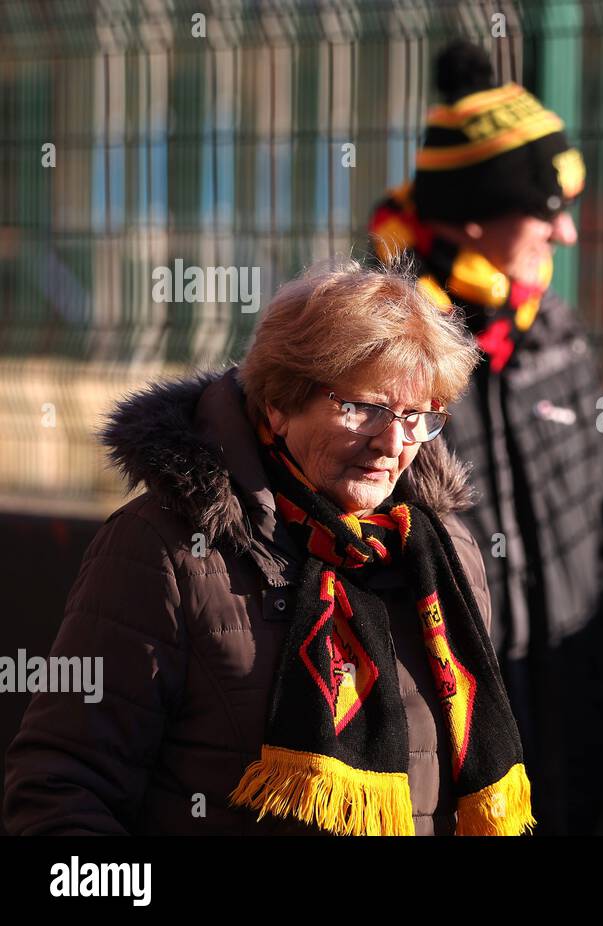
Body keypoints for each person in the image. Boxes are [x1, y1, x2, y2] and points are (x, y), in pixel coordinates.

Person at [4, 260, 534, 835]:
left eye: (416, 417)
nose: (392, 443)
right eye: (362, 408)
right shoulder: (167, 550)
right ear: (279, 404)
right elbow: (59, 787)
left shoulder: (444, 556)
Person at [368, 40, 603, 834]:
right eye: (547, 211)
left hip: (567, 711)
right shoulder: (384, 347)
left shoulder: (555, 331)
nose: (568, 235)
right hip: (444, 737)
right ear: (474, 214)